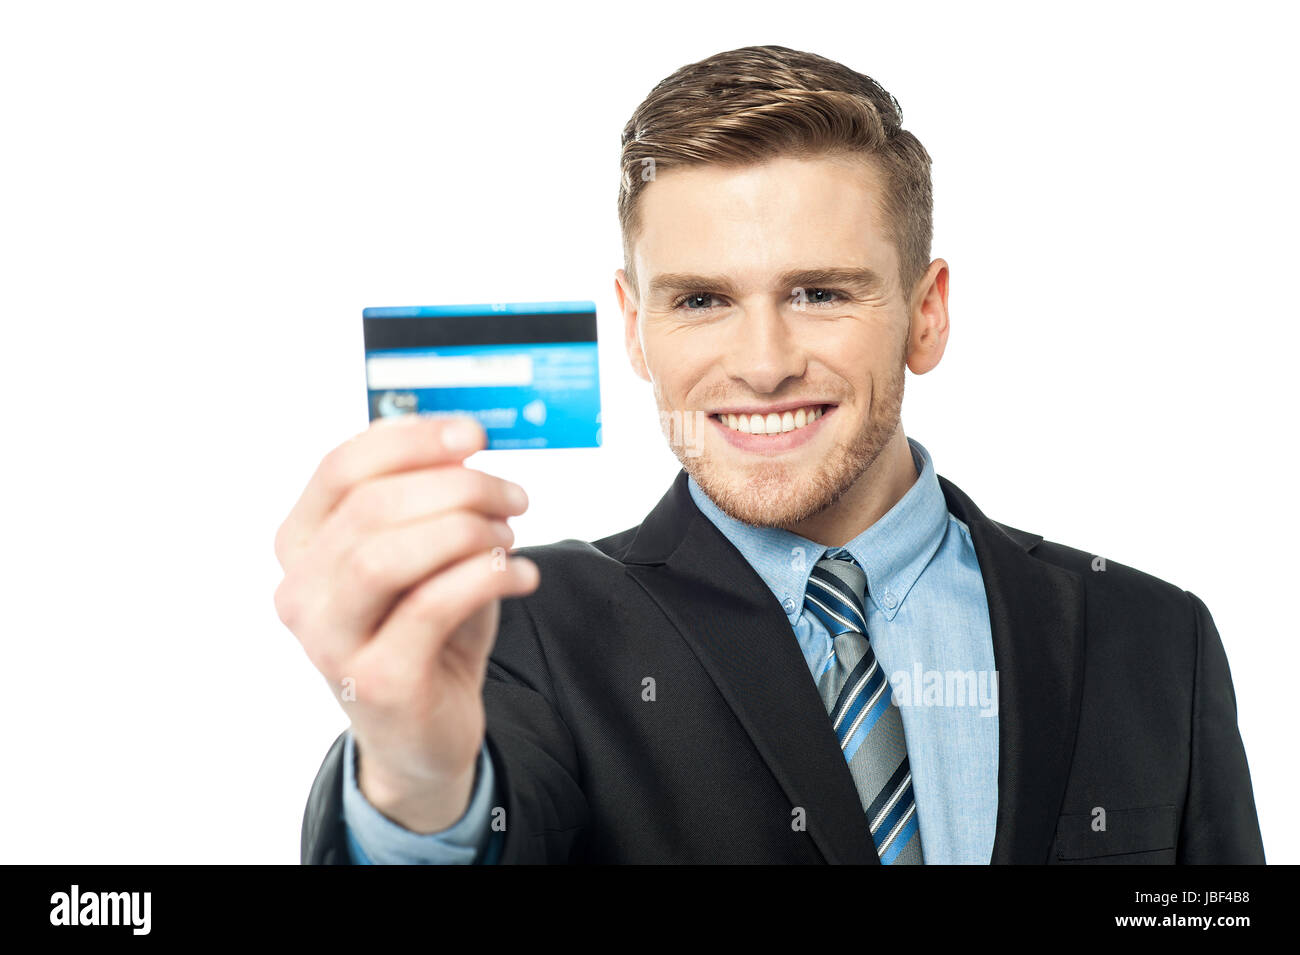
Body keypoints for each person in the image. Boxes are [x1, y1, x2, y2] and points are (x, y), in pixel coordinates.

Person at [276, 44, 1265, 864]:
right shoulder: (524, 624)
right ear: (633, 327)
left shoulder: (1150, 637)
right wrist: (413, 771)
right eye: (701, 300)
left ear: (927, 314)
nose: (762, 364)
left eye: (820, 293)